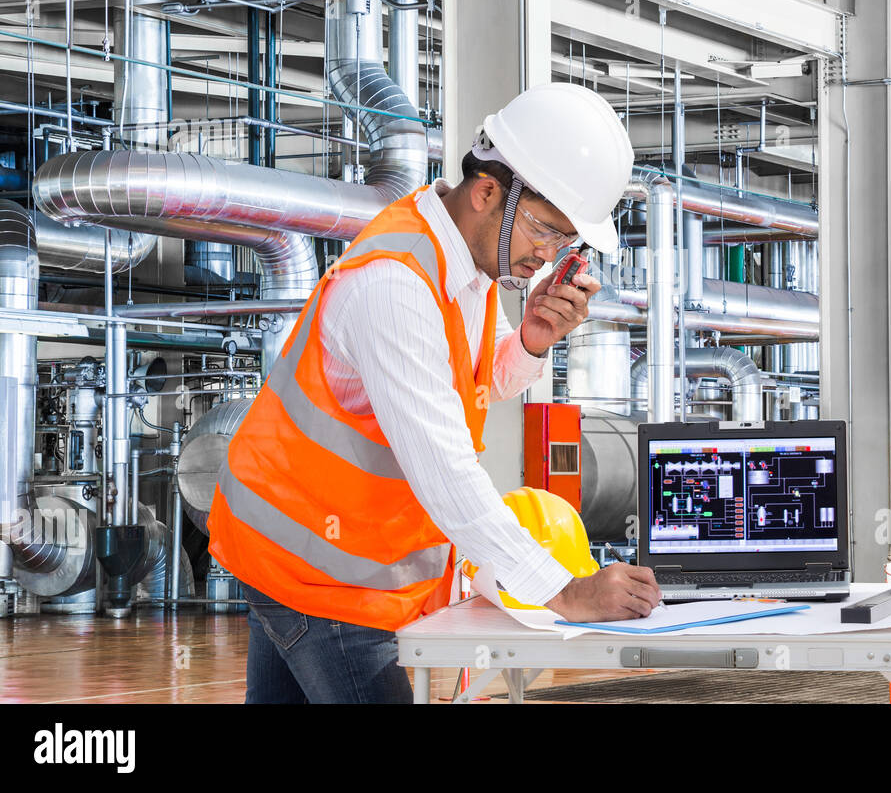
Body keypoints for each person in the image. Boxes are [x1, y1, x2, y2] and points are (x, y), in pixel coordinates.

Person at [207, 84, 661, 703]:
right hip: (326, 571)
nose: (549, 257)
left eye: (565, 245)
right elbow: (444, 467)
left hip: (305, 550)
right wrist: (564, 589)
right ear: (487, 192)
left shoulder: (463, 266)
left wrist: (532, 338)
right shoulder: (397, 285)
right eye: (547, 232)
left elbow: (475, 382)